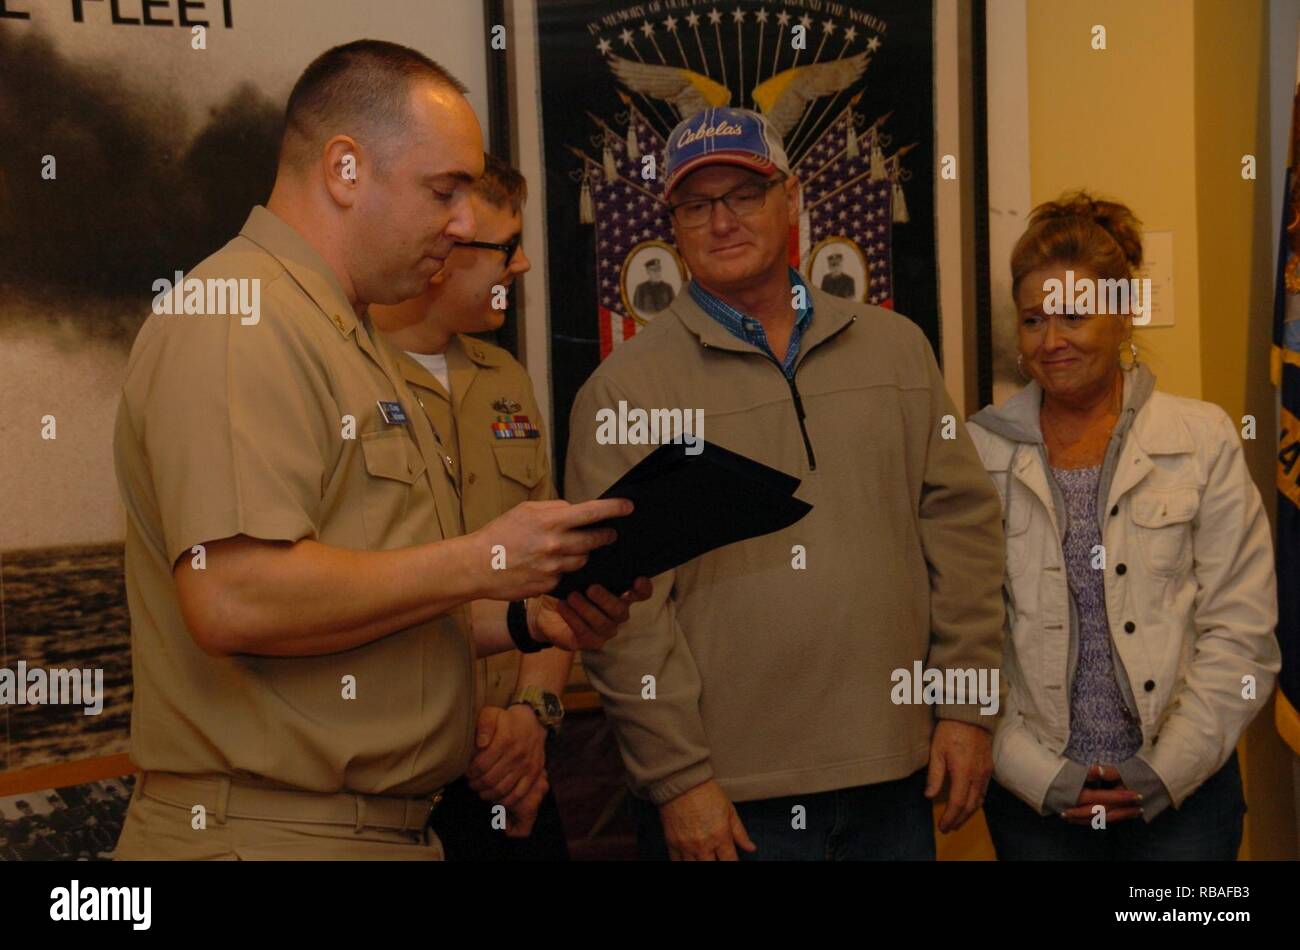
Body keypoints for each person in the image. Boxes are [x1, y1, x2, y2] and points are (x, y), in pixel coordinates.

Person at [111, 40, 649, 861]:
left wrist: (525, 614)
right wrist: (482, 559)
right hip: (274, 834)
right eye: (446, 191)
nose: (466, 224)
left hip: (381, 829)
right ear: (345, 170)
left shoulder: (345, 335)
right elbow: (235, 596)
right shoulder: (242, 318)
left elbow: (362, 597)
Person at [565, 107, 1006, 861]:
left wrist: (967, 706)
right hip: (728, 800)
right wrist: (677, 779)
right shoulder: (623, 392)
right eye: (696, 205)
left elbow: (962, 532)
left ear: (793, 198)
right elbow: (619, 610)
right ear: (672, 223)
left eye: (744, 193)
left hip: (896, 775)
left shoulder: (898, 351)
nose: (721, 221)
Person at [967, 192, 1280, 860]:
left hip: (1185, 805)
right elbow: (966, 636)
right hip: (1035, 807)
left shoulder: (1200, 439)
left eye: (1075, 315)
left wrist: (1165, 773)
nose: (1051, 340)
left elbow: (1243, 632)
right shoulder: (978, 452)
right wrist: (1037, 776)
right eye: (1033, 320)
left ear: (1123, 317)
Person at [371, 154, 569, 859]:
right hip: (388, 787)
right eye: (507, 249)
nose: (521, 269)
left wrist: (532, 720)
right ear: (442, 250)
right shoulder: (341, 376)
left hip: (514, 772)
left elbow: (552, 582)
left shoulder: (505, 378)